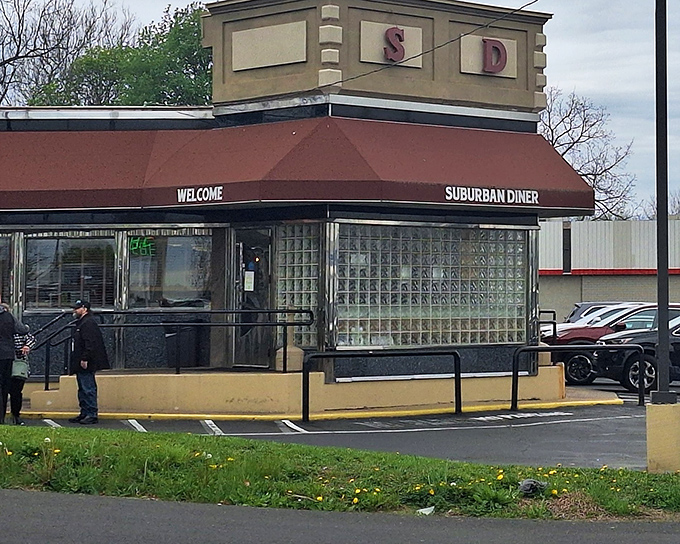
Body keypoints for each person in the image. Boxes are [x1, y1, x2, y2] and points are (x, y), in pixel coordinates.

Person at [68, 300, 109, 425]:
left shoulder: (88, 323)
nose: (74, 311)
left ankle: (91, 413)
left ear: (84, 309)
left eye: (77, 308)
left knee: (88, 387)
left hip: (86, 361)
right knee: (82, 388)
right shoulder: (82, 323)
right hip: (81, 360)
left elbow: (90, 343)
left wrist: (85, 358)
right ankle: (84, 412)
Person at [0, 302, 30, 425]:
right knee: (6, 387)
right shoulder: (8, 317)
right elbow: (22, 330)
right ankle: (7, 416)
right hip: (7, 354)